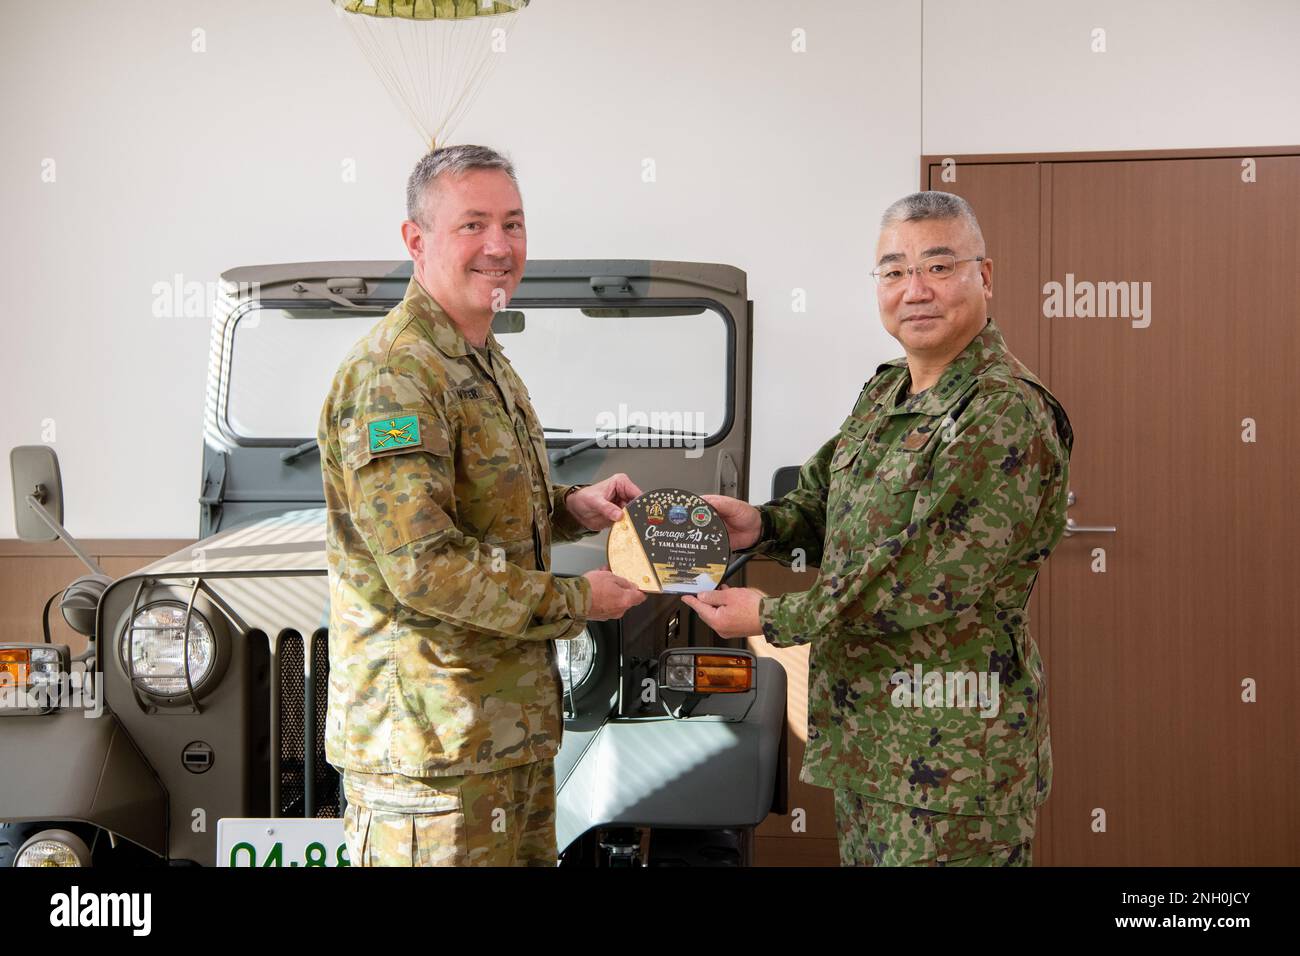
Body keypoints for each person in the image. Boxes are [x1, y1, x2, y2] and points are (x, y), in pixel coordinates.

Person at [684, 191, 1073, 867]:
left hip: (953, 761)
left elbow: (919, 585)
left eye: (939, 266)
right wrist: (761, 524)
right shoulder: (887, 392)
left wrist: (768, 615)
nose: (914, 290)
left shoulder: (1002, 412)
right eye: (894, 272)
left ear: (985, 276)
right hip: (872, 744)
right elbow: (824, 501)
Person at [317, 144, 645, 866]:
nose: (500, 247)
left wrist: (572, 508)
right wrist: (574, 601)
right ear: (416, 240)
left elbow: (483, 510)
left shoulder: (482, 358)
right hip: (431, 756)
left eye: (514, 224)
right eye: (473, 225)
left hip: (502, 741)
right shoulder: (395, 375)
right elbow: (424, 567)